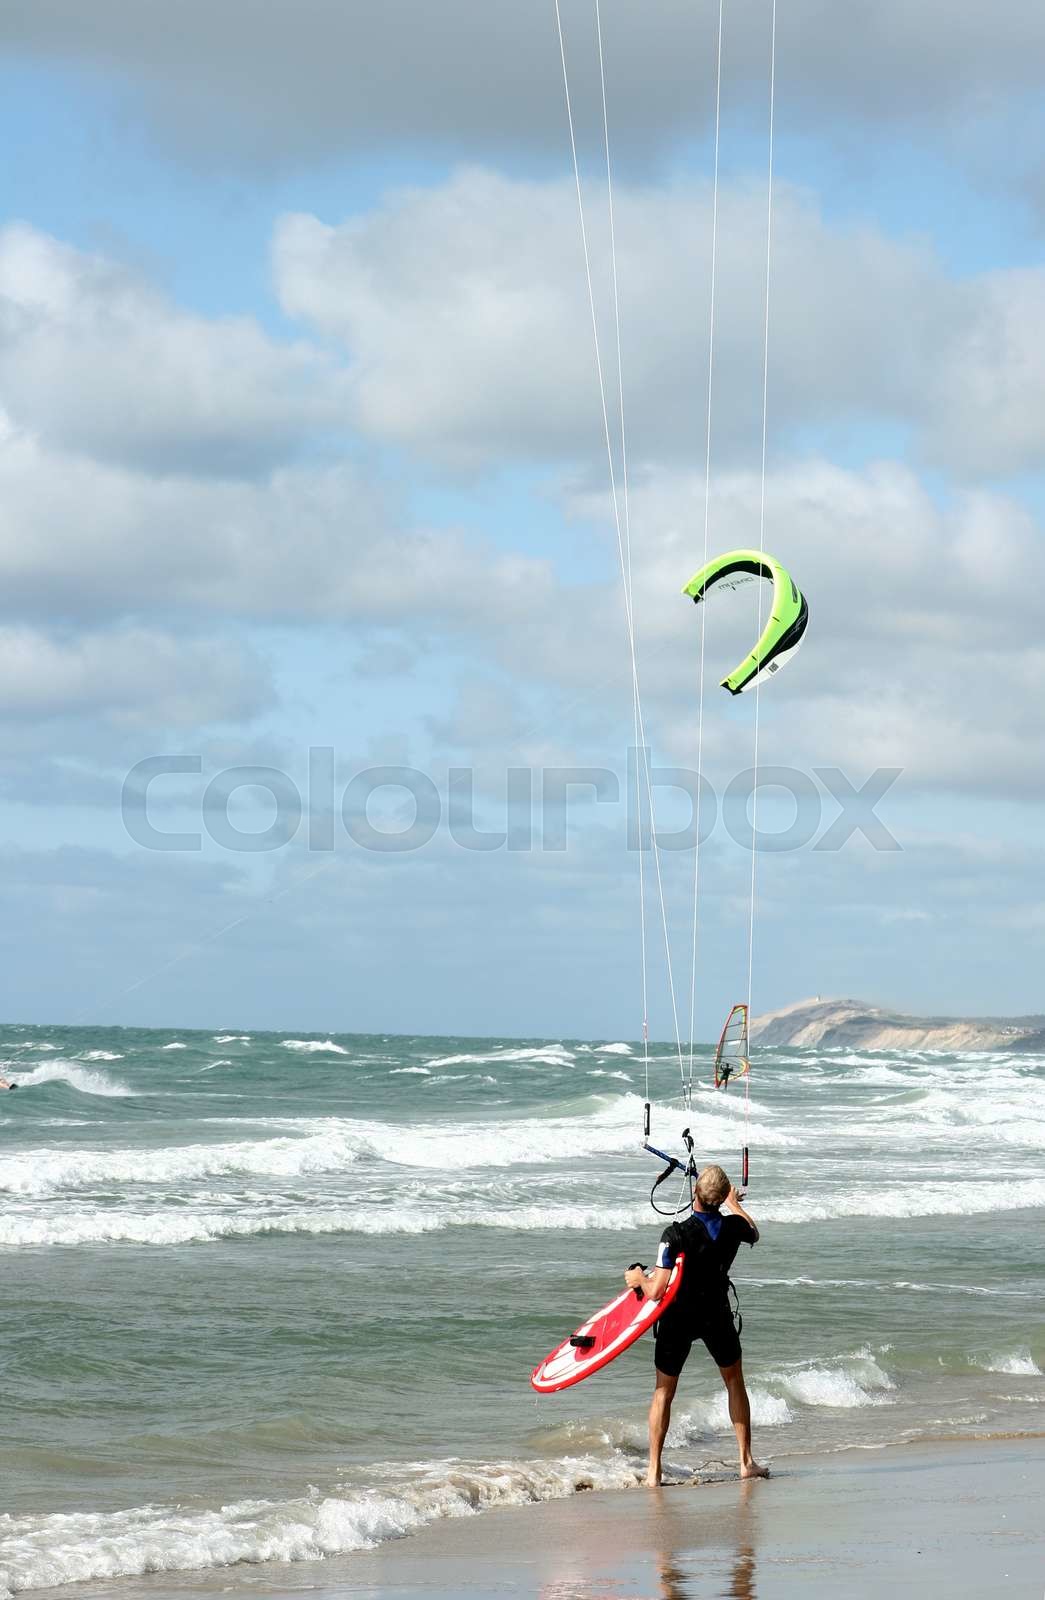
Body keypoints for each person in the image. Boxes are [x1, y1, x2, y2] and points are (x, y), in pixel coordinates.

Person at [624, 1163, 767, 1486]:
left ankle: (653, 1471)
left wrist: (638, 1278)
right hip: (716, 1314)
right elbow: (754, 1232)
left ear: (695, 1194)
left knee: (663, 1391)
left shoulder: (674, 1234)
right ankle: (746, 1462)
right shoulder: (734, 1228)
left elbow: (656, 1291)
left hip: (679, 1318)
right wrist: (734, 1203)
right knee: (734, 1382)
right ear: (721, 1197)